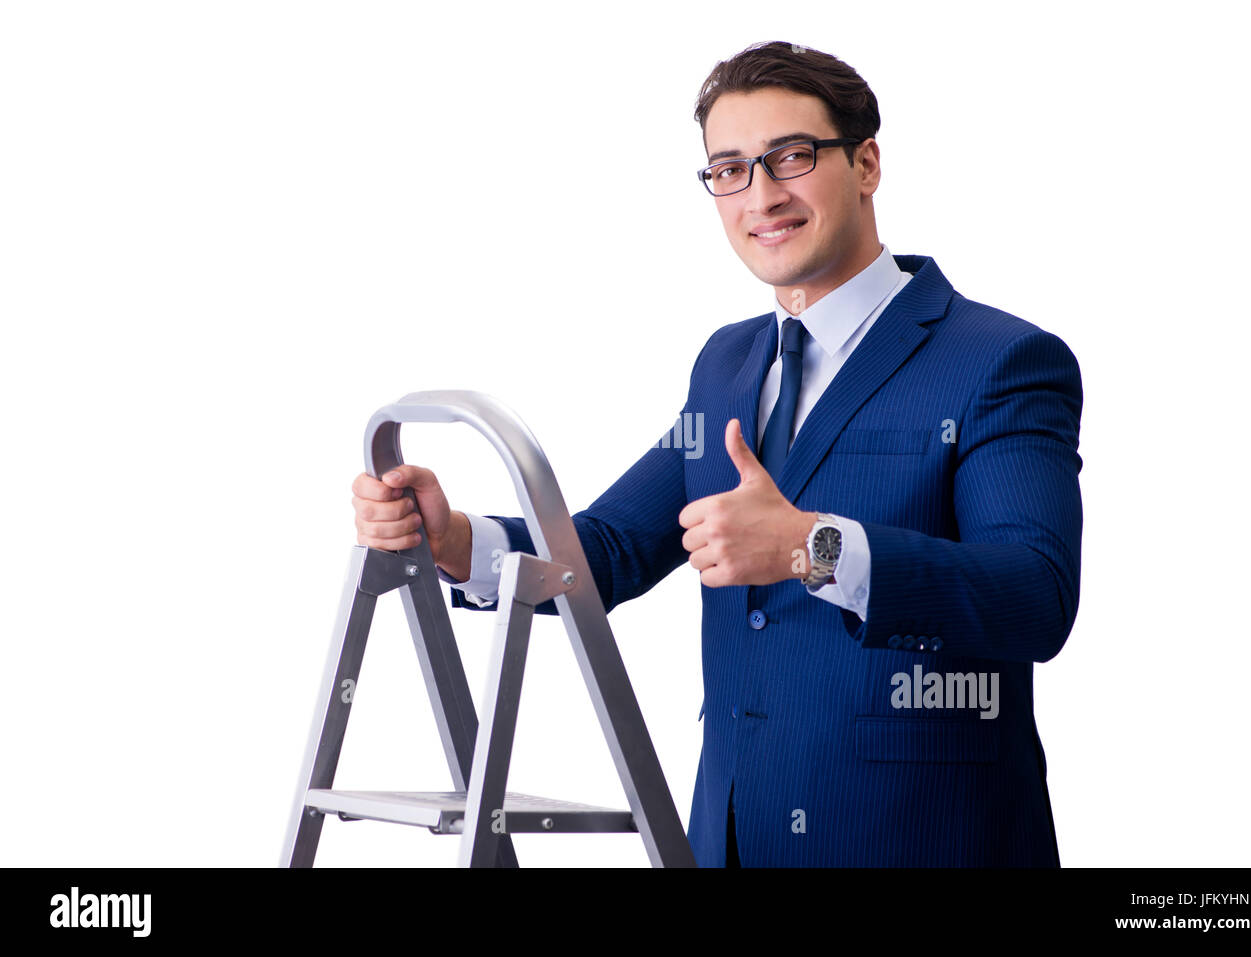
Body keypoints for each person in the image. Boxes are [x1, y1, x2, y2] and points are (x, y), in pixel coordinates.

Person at [350, 41, 1083, 867]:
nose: (761, 195)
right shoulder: (728, 365)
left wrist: (814, 546)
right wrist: (457, 543)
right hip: (733, 838)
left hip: (923, 840)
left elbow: (1036, 594)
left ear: (867, 162)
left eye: (792, 158)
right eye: (730, 169)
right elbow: (613, 548)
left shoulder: (1000, 359)